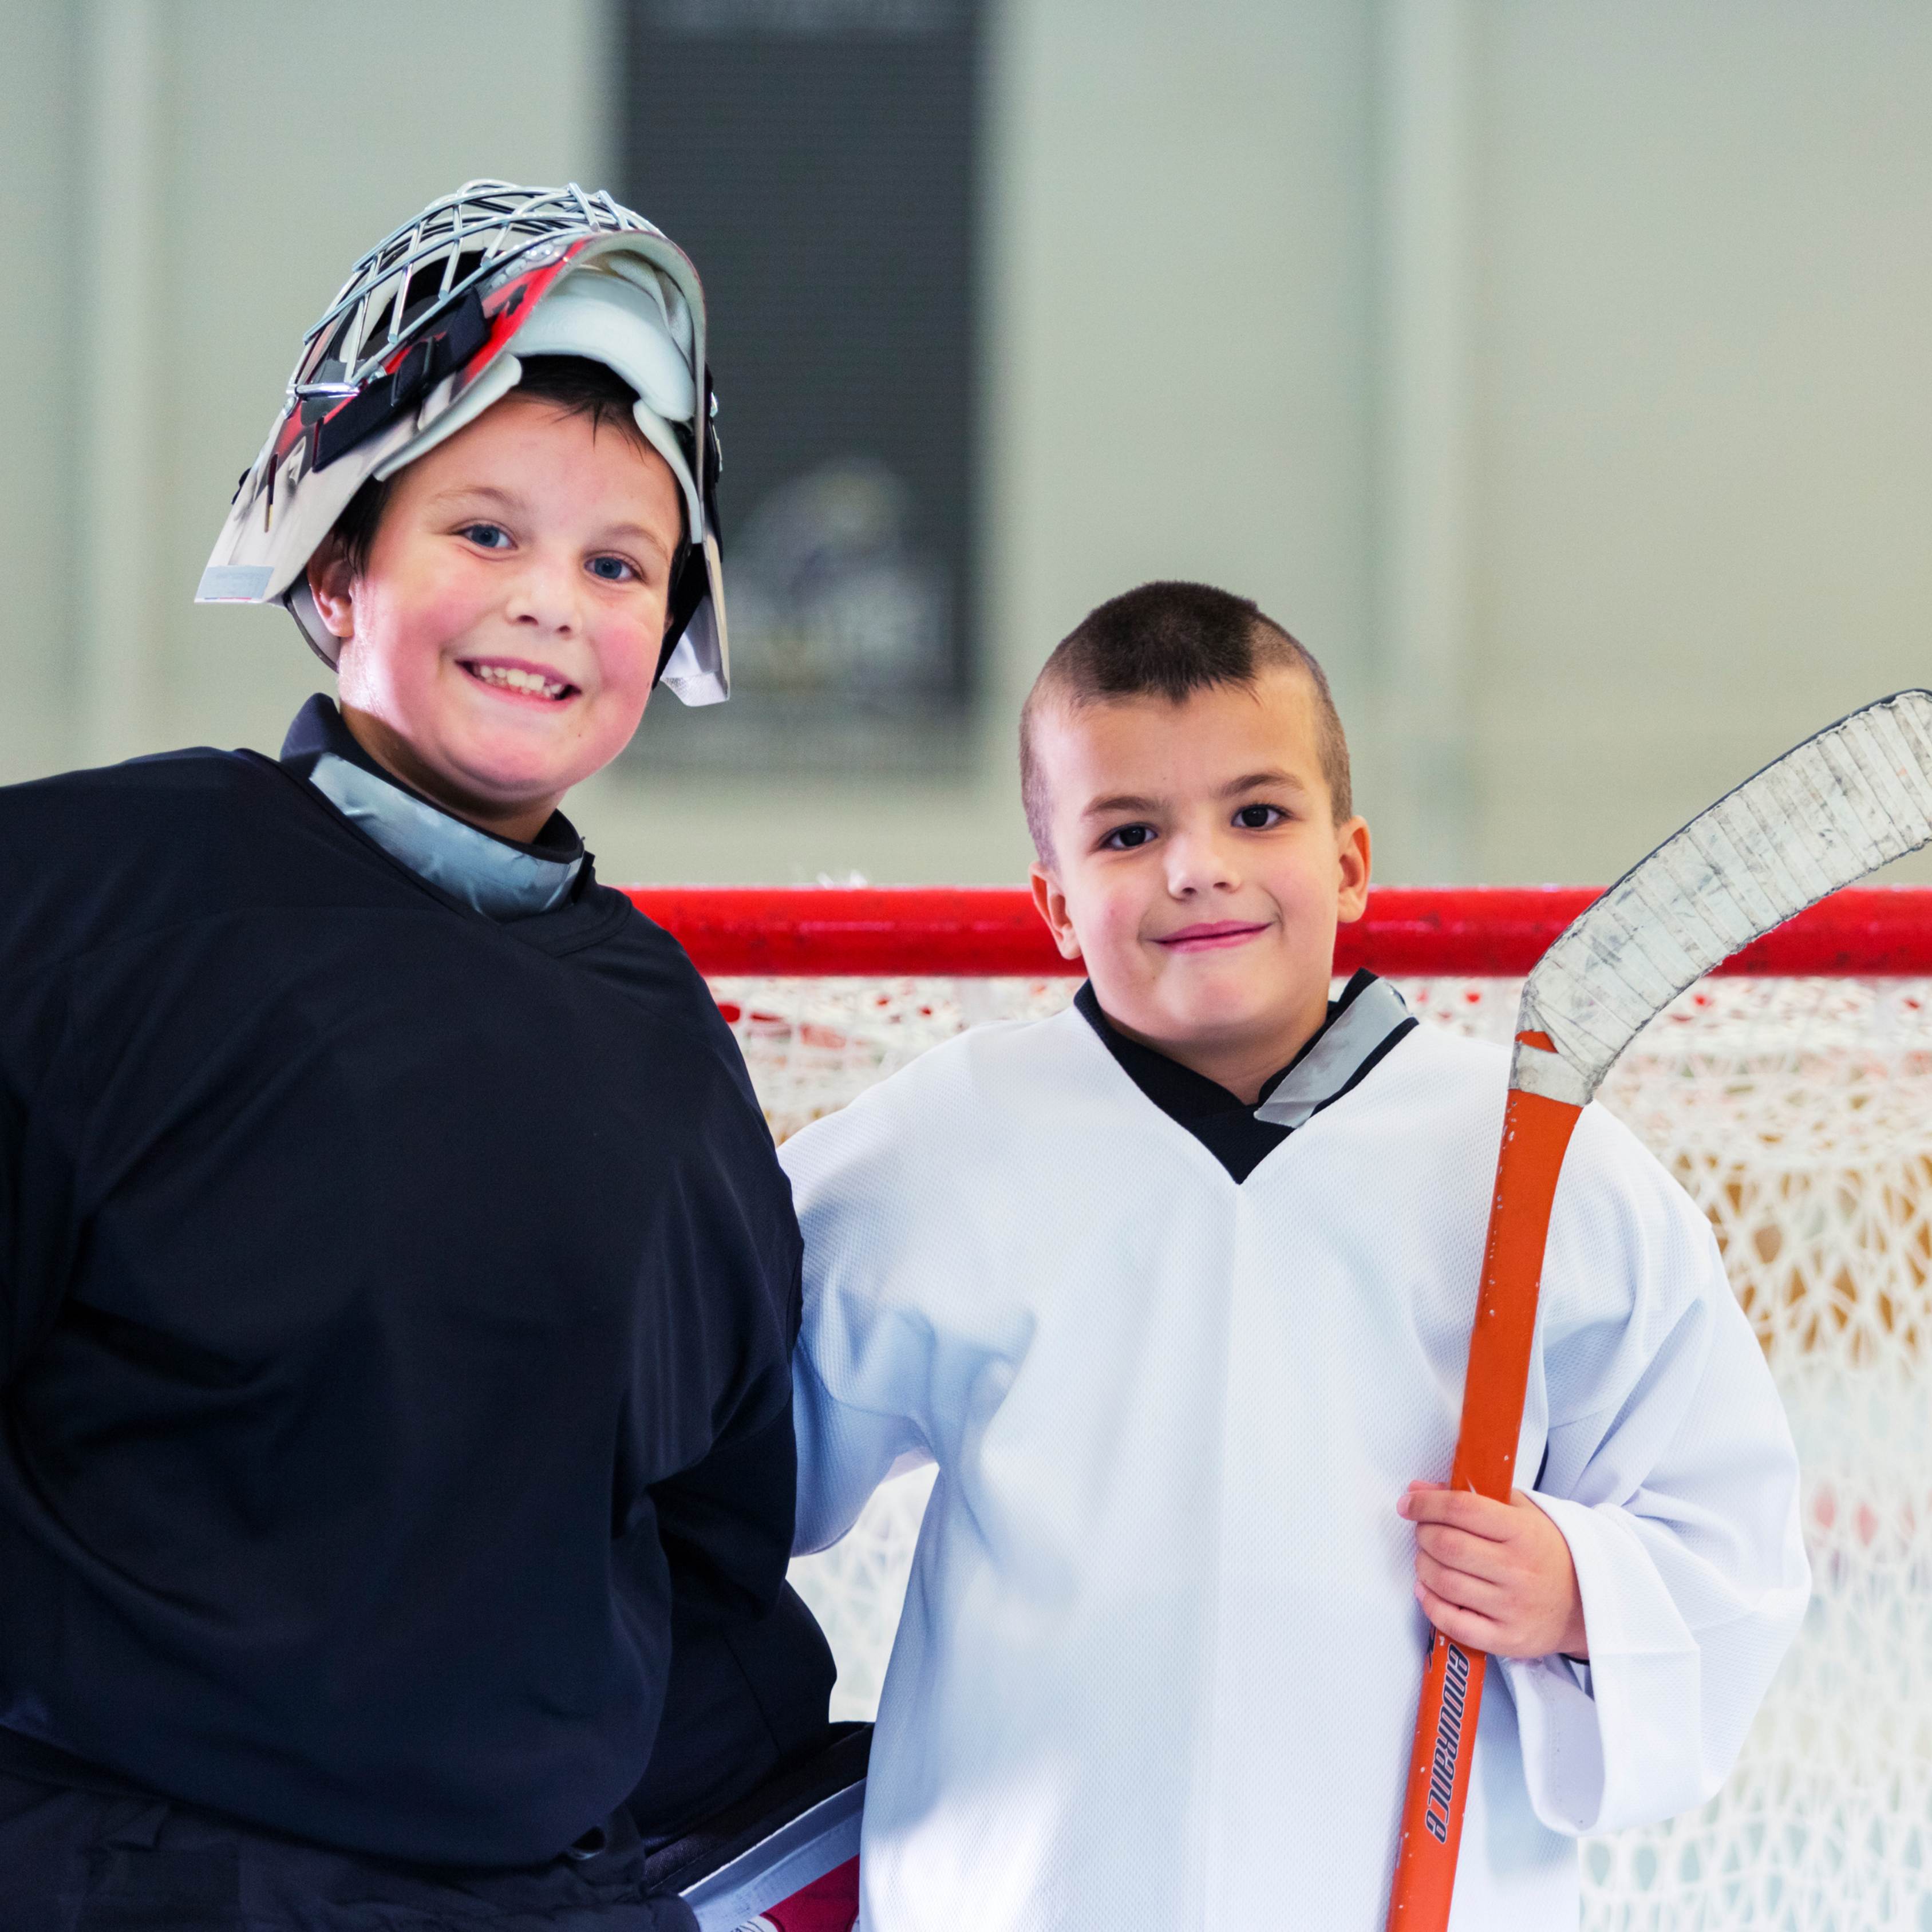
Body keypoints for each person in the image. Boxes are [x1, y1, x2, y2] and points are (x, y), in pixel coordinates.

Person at [0, 181, 839, 1929]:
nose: (554, 602)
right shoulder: (77, 909)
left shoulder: (666, 1045)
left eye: (619, 563)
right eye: (484, 534)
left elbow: (700, 1540)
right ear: (331, 564)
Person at [783, 580, 1812, 1929]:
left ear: (1348, 860)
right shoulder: (929, 1151)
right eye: (1127, 829)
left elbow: (1729, 1537)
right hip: (1022, 1885)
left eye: (1255, 813)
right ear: (1050, 901)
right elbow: (730, 1460)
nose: (1195, 864)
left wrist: (1576, 1585)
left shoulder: (1542, 1167)